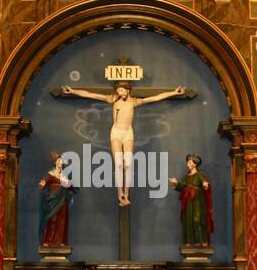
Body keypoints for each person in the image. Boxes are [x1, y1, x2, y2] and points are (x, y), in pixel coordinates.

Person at [59, 80, 187, 205]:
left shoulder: (134, 101)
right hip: (116, 133)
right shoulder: (113, 99)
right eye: (118, 90)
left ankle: (126, 193)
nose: (120, 92)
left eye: (122, 90)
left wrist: (174, 93)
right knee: (119, 165)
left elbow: (156, 98)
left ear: (128, 90)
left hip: (128, 133)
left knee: (128, 166)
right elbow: (90, 94)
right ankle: (120, 194)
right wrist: (73, 91)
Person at [170, 155, 214, 247]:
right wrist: (176, 183)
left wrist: (205, 185)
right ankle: (189, 241)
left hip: (198, 203)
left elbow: (205, 185)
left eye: (189, 162)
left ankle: (201, 241)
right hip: (188, 203)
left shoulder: (199, 176)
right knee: (188, 221)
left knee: (197, 220)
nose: (187, 164)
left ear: (195, 164)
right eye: (187, 162)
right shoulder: (186, 177)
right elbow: (182, 187)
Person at [38, 152, 74, 250]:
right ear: (55, 163)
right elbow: (44, 180)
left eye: (61, 160)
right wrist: (42, 183)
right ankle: (48, 240)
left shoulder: (64, 175)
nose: (60, 162)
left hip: (62, 201)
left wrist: (68, 184)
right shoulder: (51, 174)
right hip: (53, 200)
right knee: (52, 219)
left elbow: (71, 187)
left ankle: (60, 241)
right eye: (58, 160)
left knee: (62, 220)